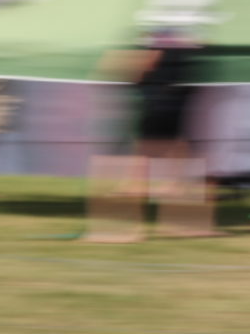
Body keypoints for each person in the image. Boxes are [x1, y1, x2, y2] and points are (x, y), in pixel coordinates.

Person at [87, 27, 214, 241]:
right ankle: (170, 213)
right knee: (172, 153)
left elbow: (142, 66)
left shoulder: (160, 41)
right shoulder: (183, 42)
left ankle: (137, 222)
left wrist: (132, 73)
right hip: (165, 103)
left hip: (160, 104)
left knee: (153, 155)